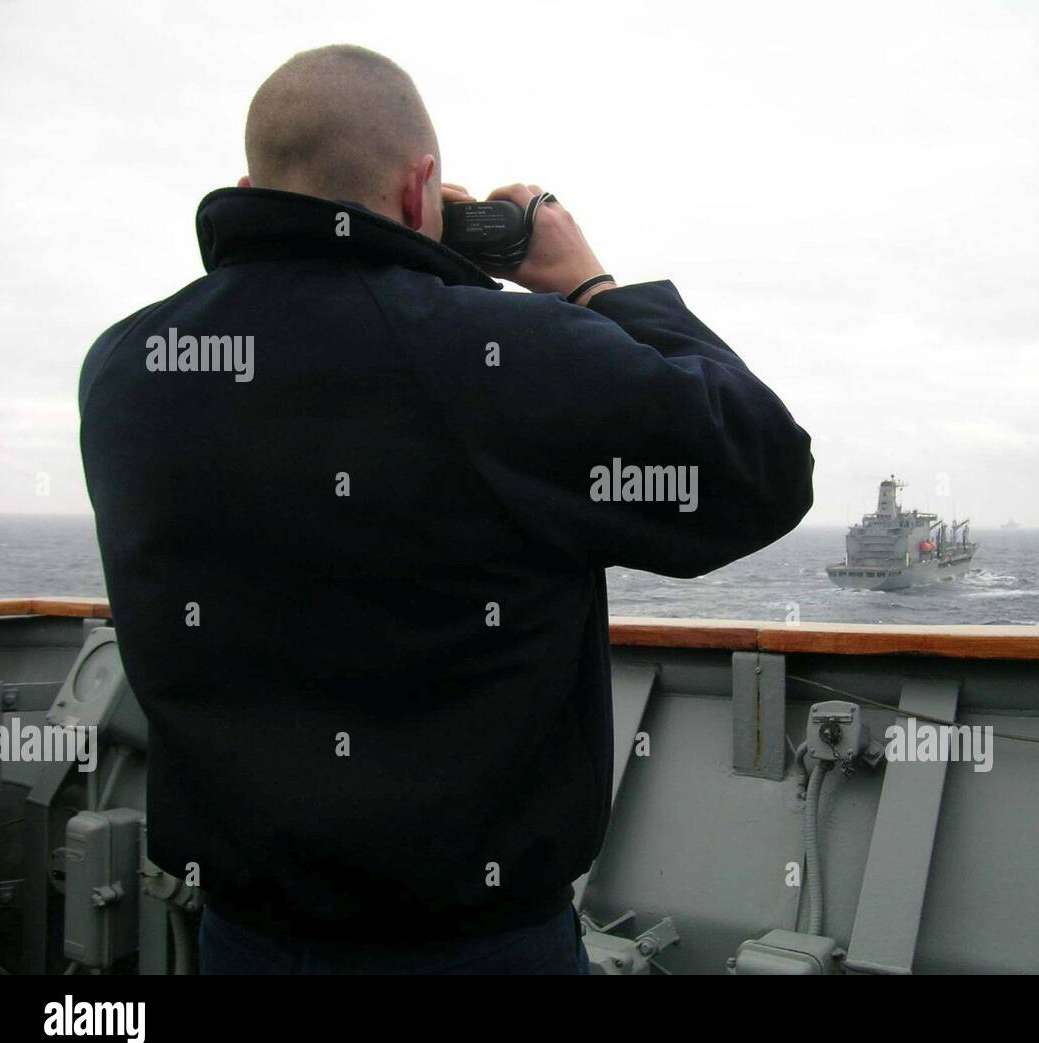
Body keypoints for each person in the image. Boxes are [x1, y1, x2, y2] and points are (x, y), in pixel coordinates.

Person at [79, 44, 814, 974]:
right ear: (423, 186)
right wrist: (590, 284)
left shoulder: (123, 369)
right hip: (477, 948)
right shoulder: (504, 358)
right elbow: (764, 466)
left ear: (249, 186)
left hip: (240, 937)